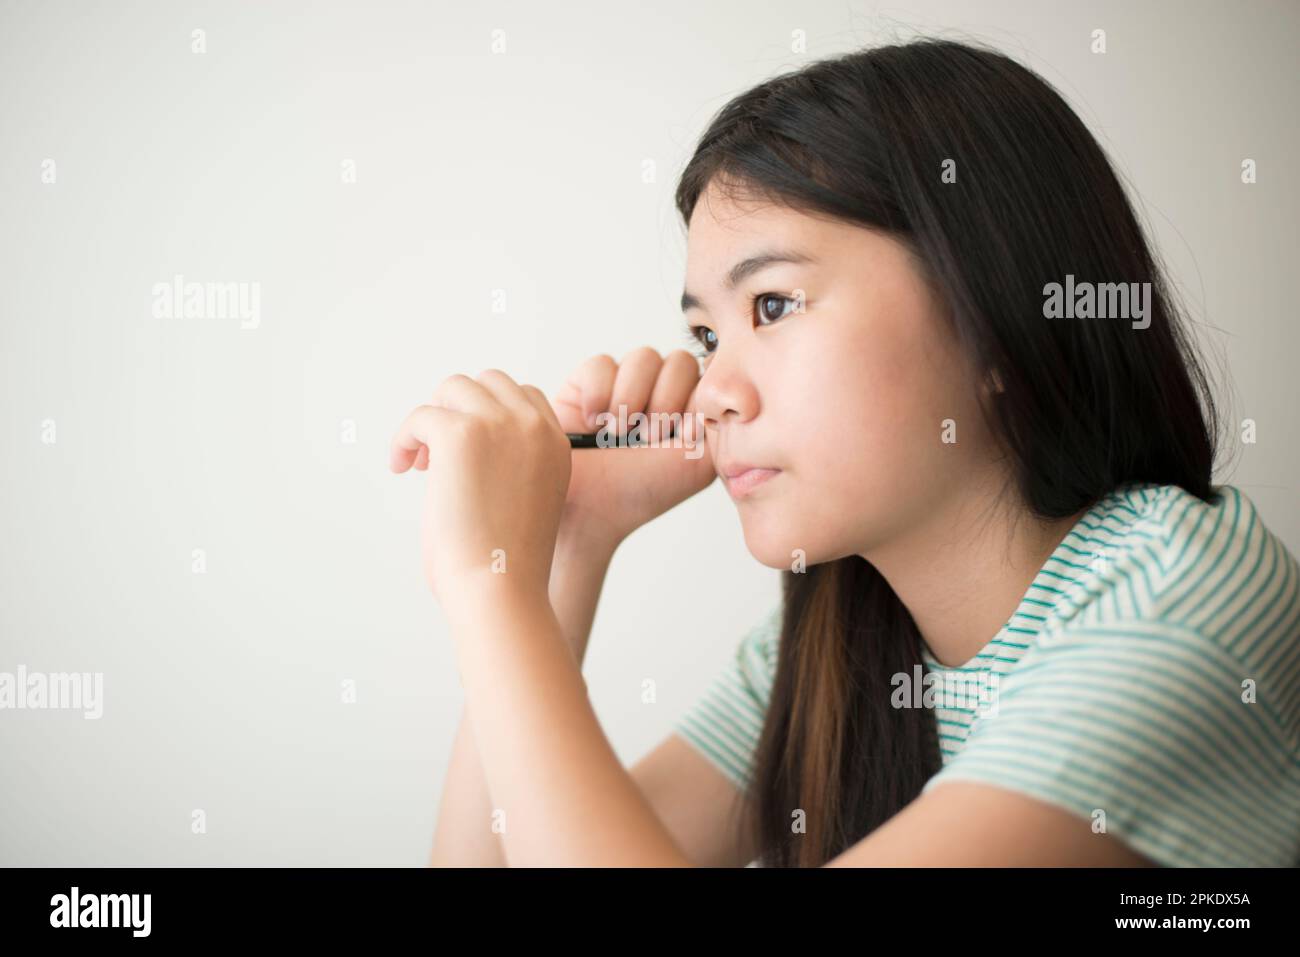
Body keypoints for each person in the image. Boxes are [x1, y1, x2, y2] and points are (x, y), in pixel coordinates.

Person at [392, 38, 1300, 867]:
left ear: (990, 320)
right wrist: (565, 552)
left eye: (774, 306)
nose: (714, 392)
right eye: (706, 337)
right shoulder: (832, 641)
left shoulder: (1176, 602)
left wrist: (489, 592)